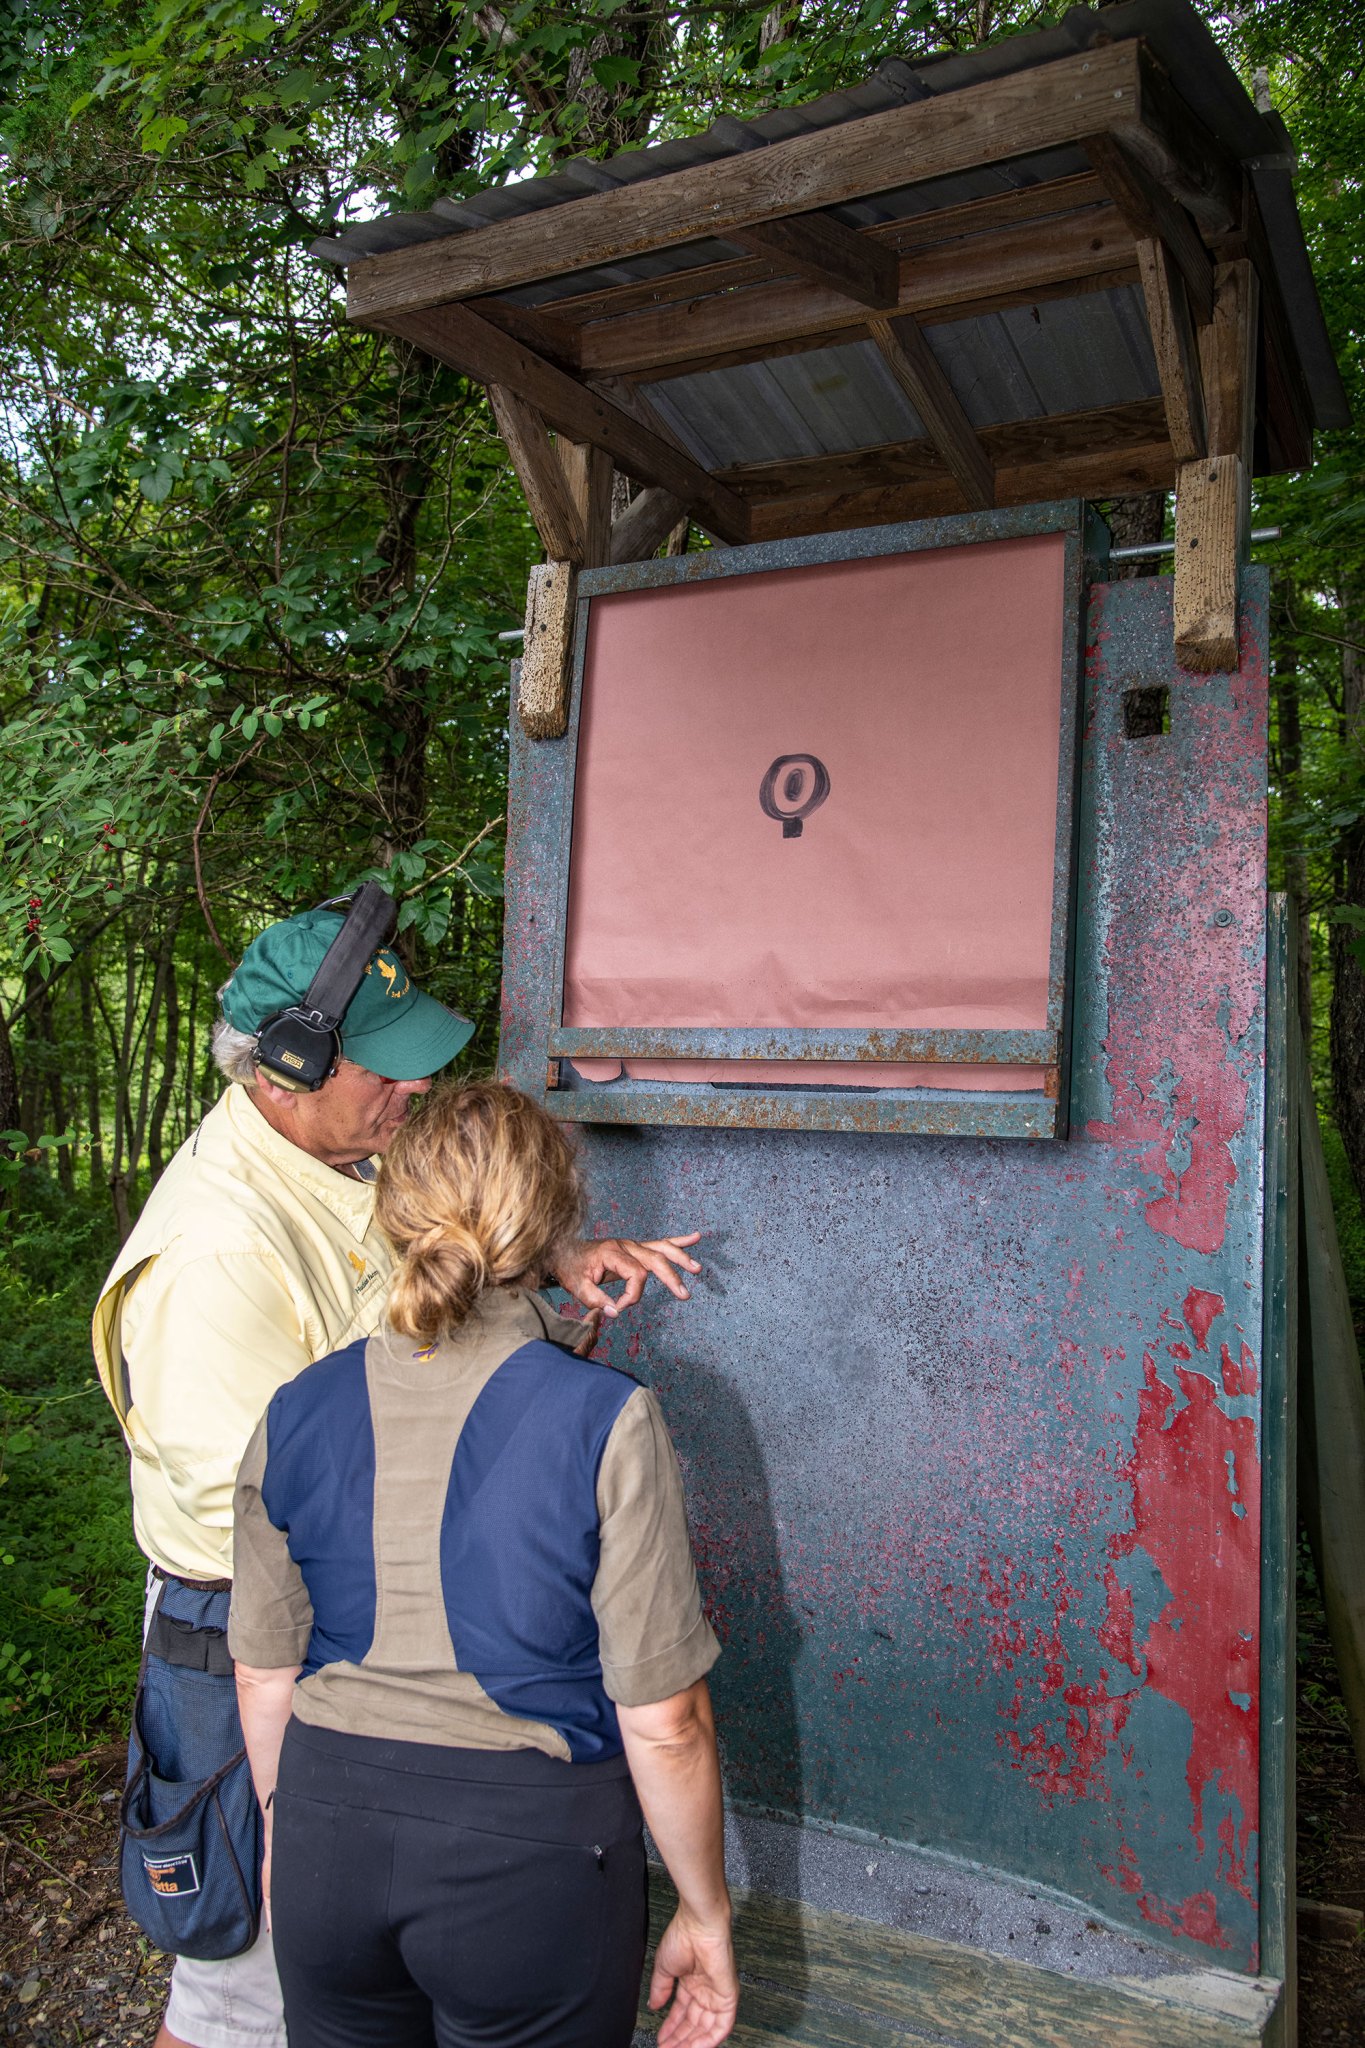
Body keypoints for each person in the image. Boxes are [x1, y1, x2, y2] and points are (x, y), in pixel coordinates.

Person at [91, 902, 703, 2048]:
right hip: (260, 1633)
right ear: (289, 1065)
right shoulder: (219, 1257)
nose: (414, 1092)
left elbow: (430, 1240)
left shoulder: (335, 1158)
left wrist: (547, 1257)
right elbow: (292, 1521)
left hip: (344, 1621)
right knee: (239, 1995)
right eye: (389, 1071)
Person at [228, 1081, 738, 2048]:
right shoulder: (604, 1416)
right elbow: (664, 1722)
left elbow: (262, 1674)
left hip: (324, 1833)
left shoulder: (292, 1411)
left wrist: (279, 1838)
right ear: (554, 1230)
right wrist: (703, 1914)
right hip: (528, 1858)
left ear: (392, 1215)